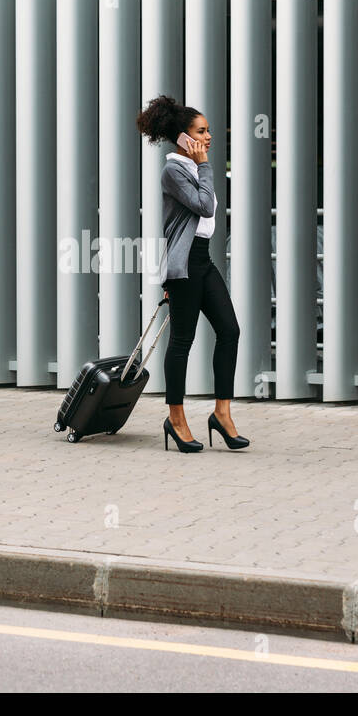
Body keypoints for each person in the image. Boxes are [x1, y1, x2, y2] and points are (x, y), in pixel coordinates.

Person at [135, 94, 249, 452]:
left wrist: (202, 166)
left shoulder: (193, 168)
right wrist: (204, 165)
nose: (209, 136)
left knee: (229, 331)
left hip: (204, 260)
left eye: (209, 129)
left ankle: (222, 414)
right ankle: (177, 418)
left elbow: (209, 207)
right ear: (183, 136)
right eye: (202, 130)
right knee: (182, 342)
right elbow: (203, 205)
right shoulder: (173, 170)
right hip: (183, 266)